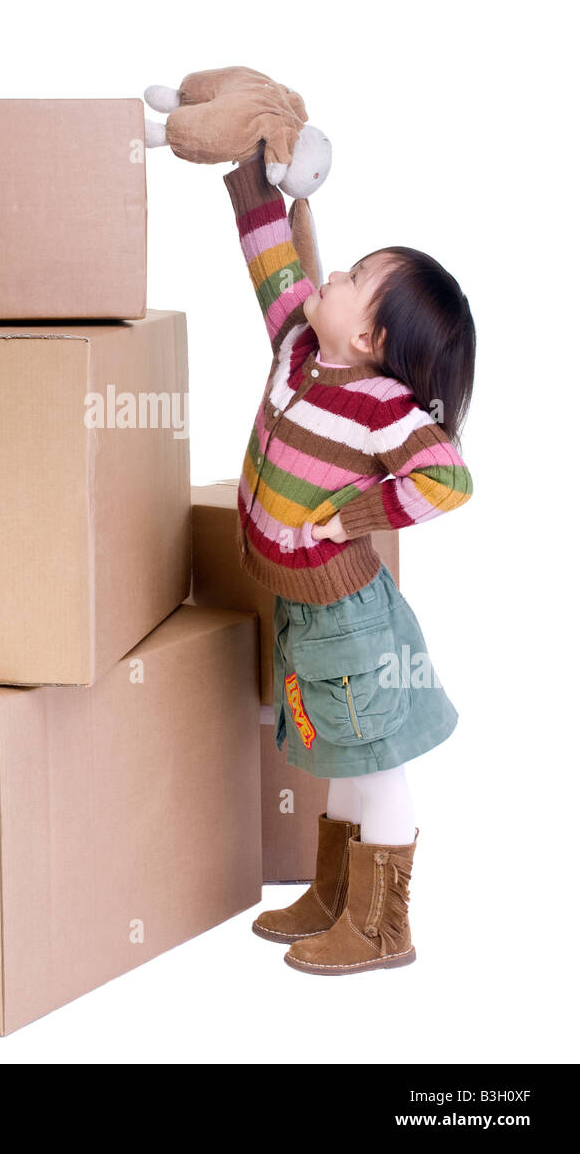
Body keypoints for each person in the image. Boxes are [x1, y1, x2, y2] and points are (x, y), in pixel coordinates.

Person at [222, 148, 474, 974]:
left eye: (352, 277)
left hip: (348, 621)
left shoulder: (382, 409)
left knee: (374, 761)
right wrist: (256, 178)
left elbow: (445, 479)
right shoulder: (299, 344)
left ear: (369, 336)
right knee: (335, 749)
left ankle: (381, 926)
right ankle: (333, 896)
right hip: (304, 608)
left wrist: (346, 519)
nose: (329, 277)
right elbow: (275, 266)